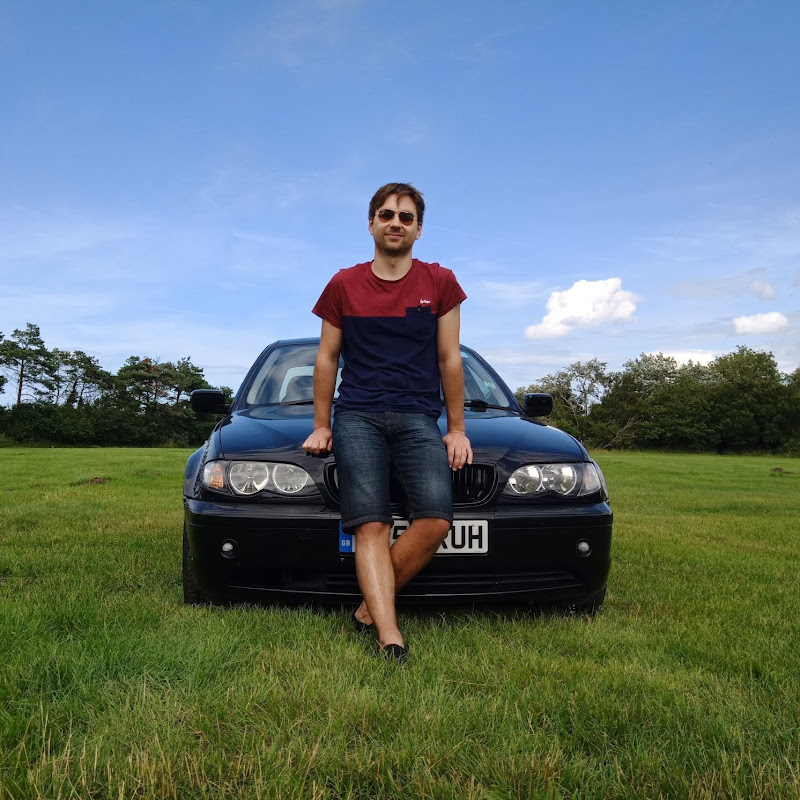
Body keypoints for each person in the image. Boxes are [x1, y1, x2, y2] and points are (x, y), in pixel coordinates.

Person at [302, 182, 473, 661]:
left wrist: (456, 429)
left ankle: (367, 609)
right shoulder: (343, 284)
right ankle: (390, 636)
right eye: (386, 215)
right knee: (370, 524)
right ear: (371, 224)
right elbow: (327, 357)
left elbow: (449, 358)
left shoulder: (440, 282)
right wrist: (322, 423)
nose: (395, 223)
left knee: (435, 519)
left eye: (405, 217)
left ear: (418, 229)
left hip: (418, 416)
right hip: (357, 415)